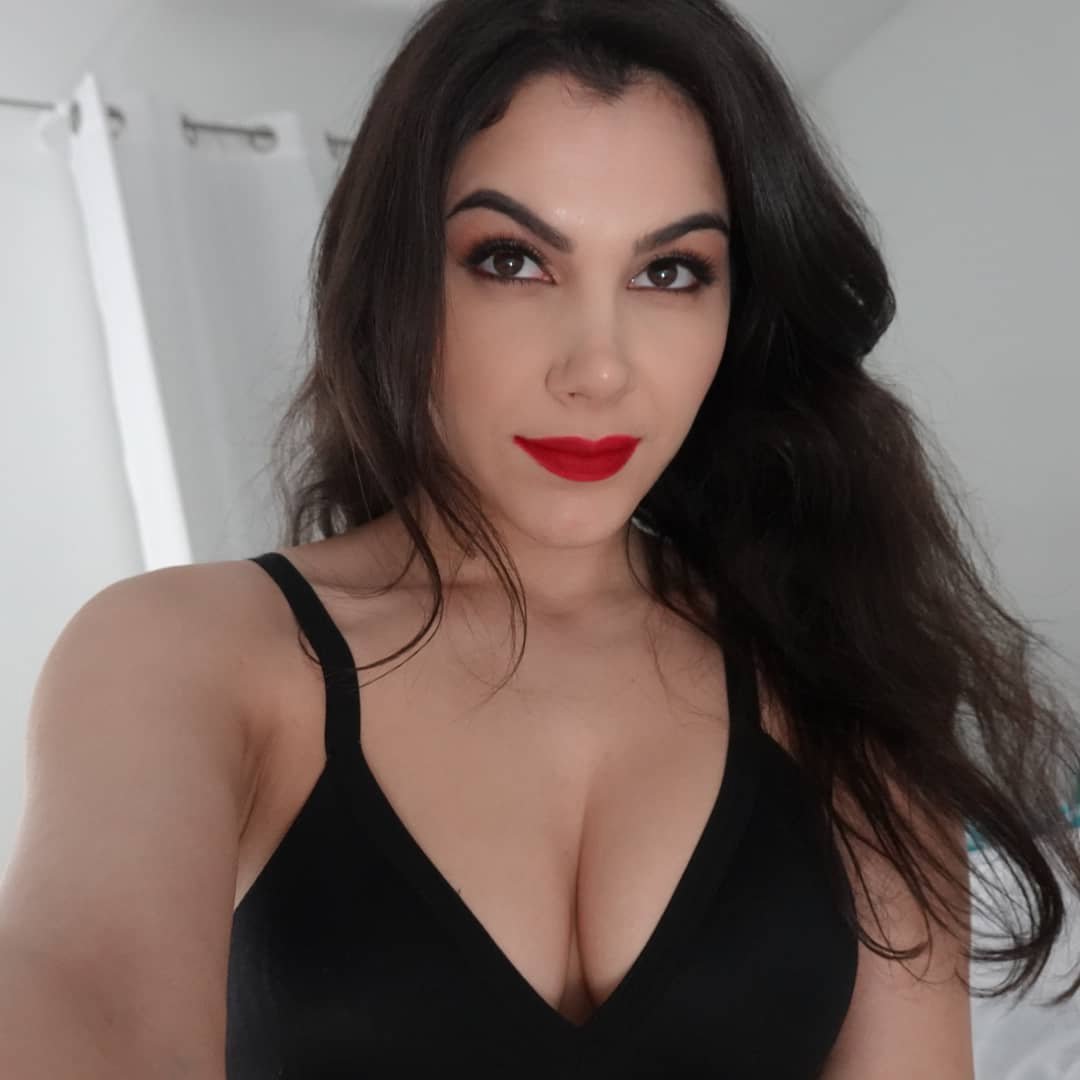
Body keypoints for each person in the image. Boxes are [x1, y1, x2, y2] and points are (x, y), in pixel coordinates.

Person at [3, 0, 1079, 1076]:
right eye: (513, 260)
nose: (598, 368)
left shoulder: (840, 672)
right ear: (395, 278)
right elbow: (86, 992)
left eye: (670, 271)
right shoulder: (187, 655)